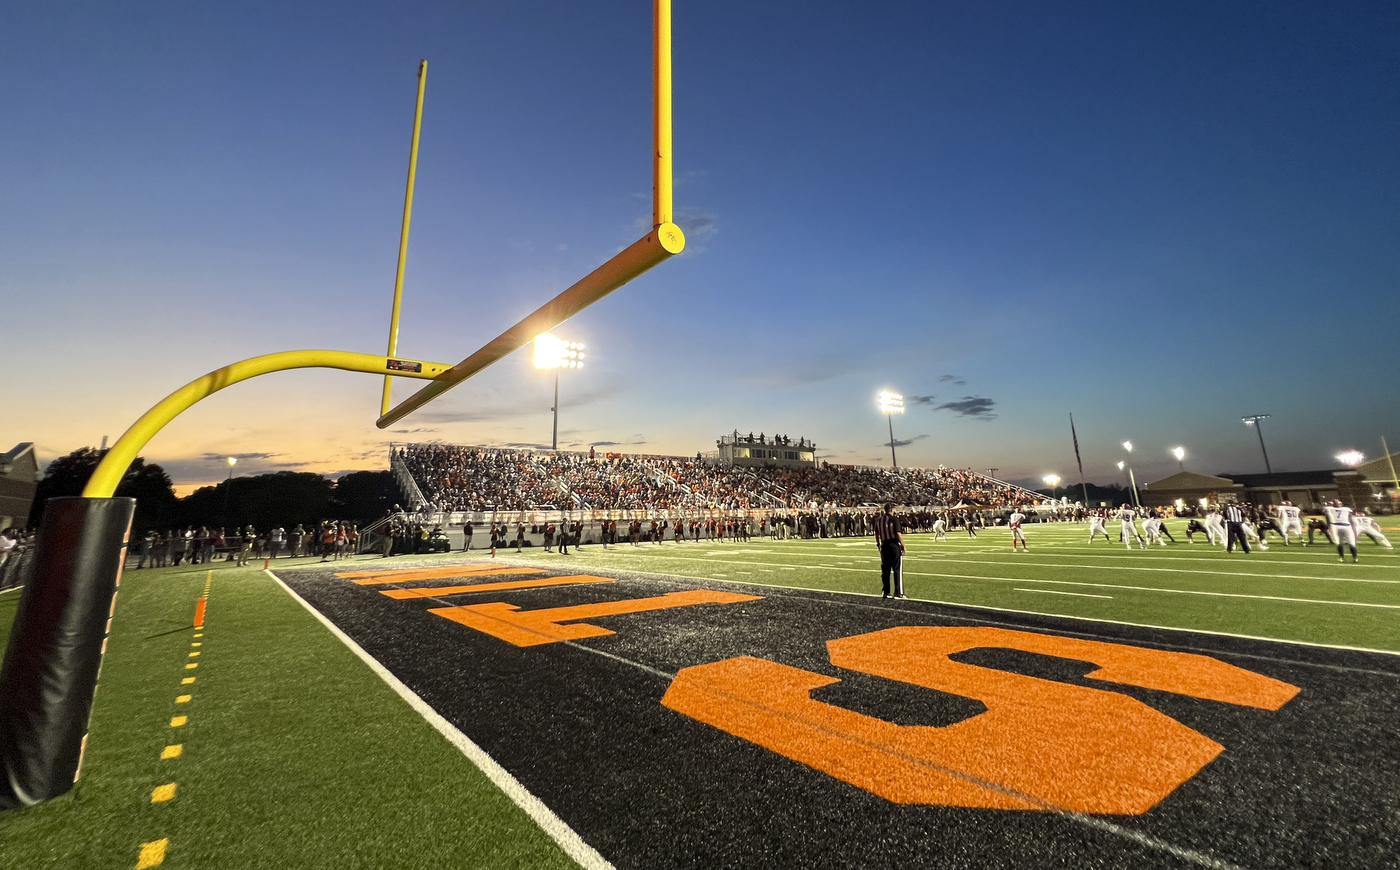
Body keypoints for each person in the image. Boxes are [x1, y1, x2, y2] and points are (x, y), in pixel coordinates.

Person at [873, 502, 905, 599]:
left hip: (884, 545)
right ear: (891, 510)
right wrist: (903, 545)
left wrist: (878, 544)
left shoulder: (879, 520)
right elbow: (898, 534)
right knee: (896, 569)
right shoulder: (894, 519)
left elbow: (876, 534)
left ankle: (886, 591)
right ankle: (898, 592)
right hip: (893, 545)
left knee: (885, 570)